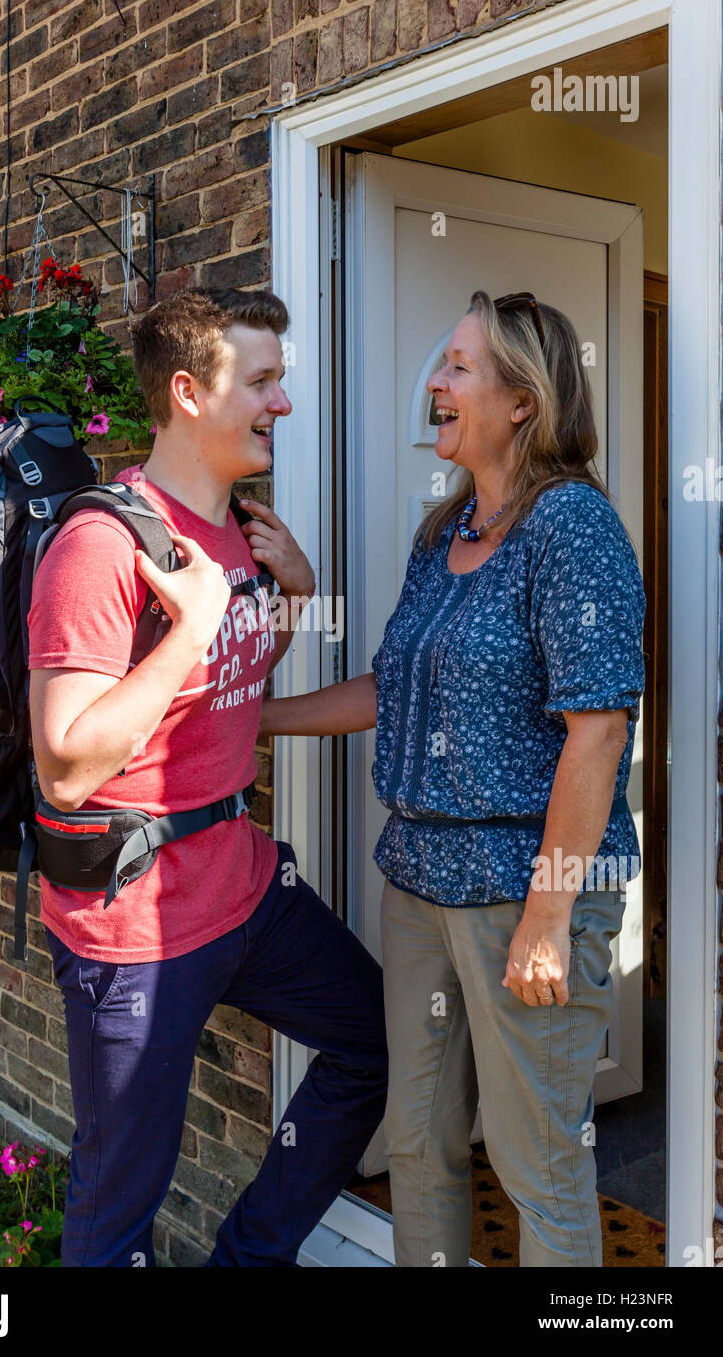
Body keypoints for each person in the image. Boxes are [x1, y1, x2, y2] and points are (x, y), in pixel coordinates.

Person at [258, 289, 646, 1267]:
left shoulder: (569, 528)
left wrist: (550, 917)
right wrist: (248, 719)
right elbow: (388, 688)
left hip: (525, 891)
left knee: (535, 1164)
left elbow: (594, 733)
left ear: (523, 399)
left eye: (457, 366)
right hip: (419, 886)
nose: (433, 382)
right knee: (417, 1144)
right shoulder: (444, 533)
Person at [26, 286, 388, 1267]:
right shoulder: (99, 546)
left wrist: (296, 599)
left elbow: (219, 690)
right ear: (188, 392)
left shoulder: (238, 530)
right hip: (134, 931)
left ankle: (249, 1255)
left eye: (281, 380)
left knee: (372, 1040)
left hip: (242, 888)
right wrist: (187, 620)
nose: (282, 403)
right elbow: (63, 765)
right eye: (262, 381)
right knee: (114, 1218)